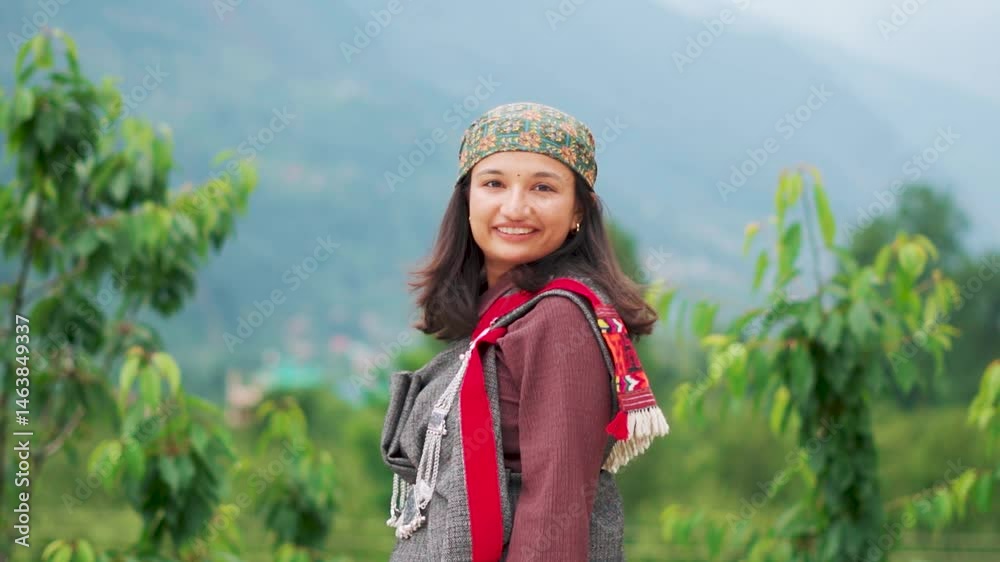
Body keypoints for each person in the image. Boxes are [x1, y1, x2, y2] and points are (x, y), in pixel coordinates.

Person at [382, 102, 669, 561]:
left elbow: (555, 516)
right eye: (494, 183)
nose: (515, 208)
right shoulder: (497, 314)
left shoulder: (559, 320)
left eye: (543, 187)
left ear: (578, 210)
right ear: (467, 200)